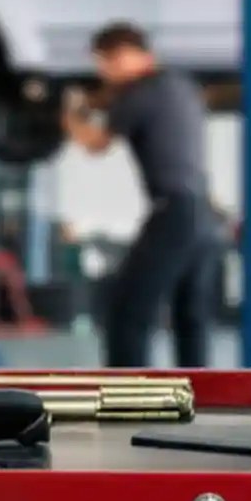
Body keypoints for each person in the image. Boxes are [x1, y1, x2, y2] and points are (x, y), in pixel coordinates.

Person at [62, 22, 218, 368]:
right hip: (205, 215)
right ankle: (202, 400)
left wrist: (69, 116)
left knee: (127, 312)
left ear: (124, 56)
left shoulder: (140, 92)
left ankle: (125, 400)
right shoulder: (180, 85)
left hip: (174, 213)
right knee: (190, 318)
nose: (103, 73)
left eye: (104, 63)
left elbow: (96, 144)